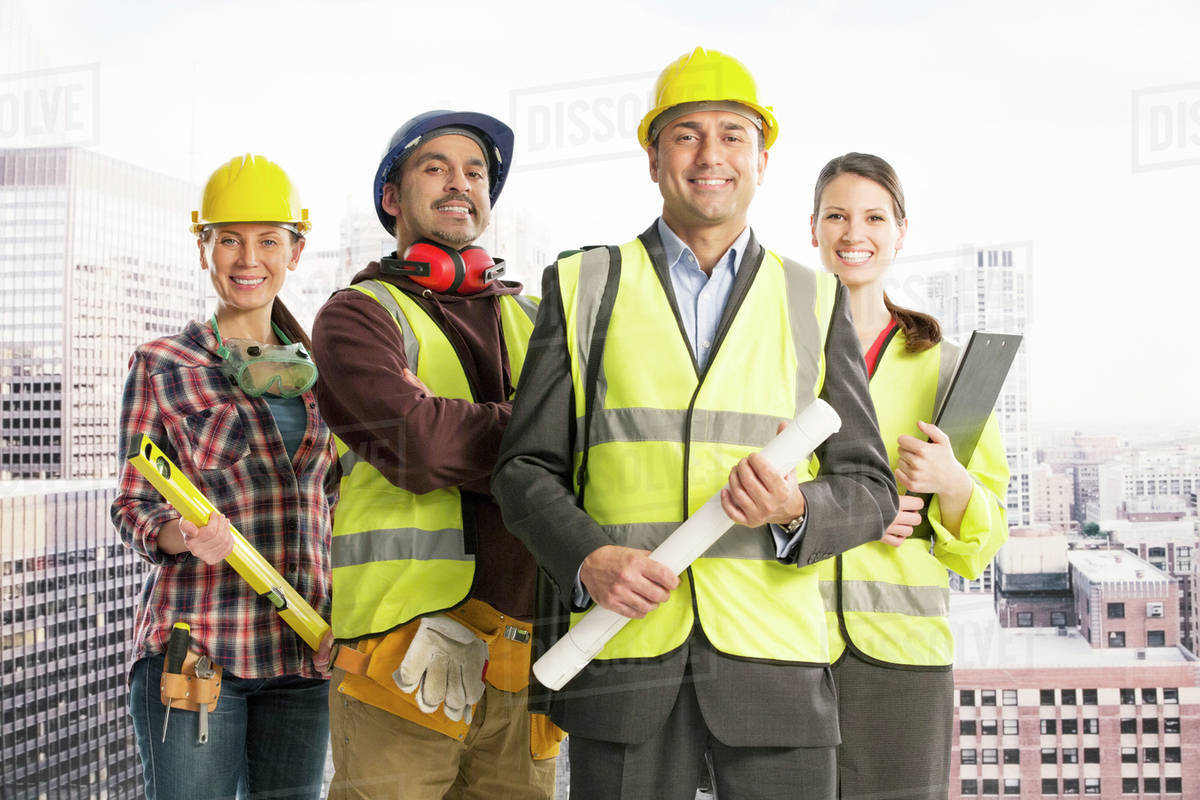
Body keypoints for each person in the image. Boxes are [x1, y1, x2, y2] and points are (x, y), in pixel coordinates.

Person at [491, 48, 899, 800]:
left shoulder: (814, 297)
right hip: (624, 663)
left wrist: (798, 508)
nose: (710, 155)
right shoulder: (583, 285)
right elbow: (523, 470)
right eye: (685, 135)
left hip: (774, 668)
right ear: (653, 158)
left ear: (762, 158)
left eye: (732, 134)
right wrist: (586, 559)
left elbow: (871, 488)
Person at [311, 110, 559, 800]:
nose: (460, 184)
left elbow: (584, 448)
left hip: (523, 659)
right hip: (401, 658)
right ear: (392, 197)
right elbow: (417, 446)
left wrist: (467, 430)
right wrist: (533, 430)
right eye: (436, 168)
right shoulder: (358, 316)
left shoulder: (539, 318)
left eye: (475, 172)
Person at [111, 154, 335, 800]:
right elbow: (131, 503)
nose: (248, 258)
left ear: (295, 251)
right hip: (201, 647)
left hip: (304, 653)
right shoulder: (162, 365)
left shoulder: (326, 372)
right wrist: (180, 533)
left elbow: (343, 511)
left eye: (269, 240)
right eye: (228, 239)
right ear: (203, 247)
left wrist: (345, 619)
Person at [809, 153, 1010, 800]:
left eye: (873, 216)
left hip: (904, 658)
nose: (853, 232)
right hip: (784, 644)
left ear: (901, 232)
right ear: (812, 229)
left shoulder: (948, 370)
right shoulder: (773, 354)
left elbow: (983, 539)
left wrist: (951, 481)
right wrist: (852, 506)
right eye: (836, 215)